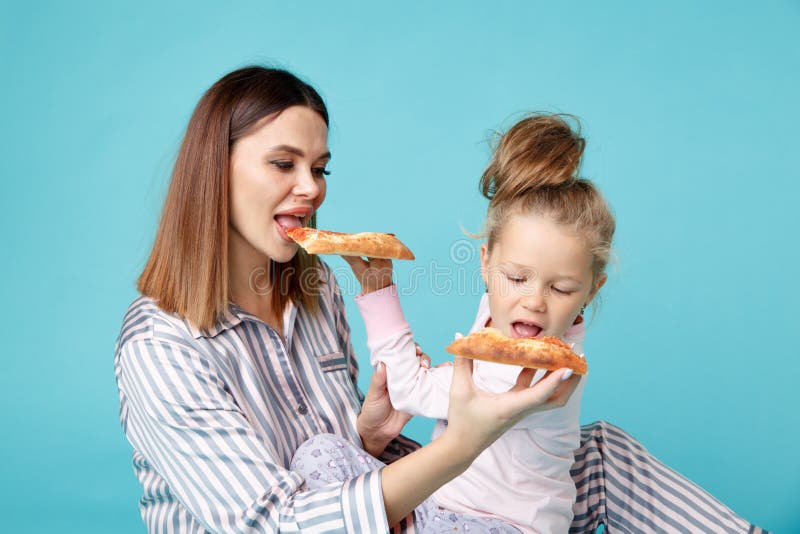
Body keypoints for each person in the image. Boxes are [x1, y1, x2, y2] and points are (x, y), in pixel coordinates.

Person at [114, 65, 767, 533]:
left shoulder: (316, 293)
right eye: (283, 164)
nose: (311, 188)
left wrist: (369, 438)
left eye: (320, 167)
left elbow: (346, 455)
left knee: (597, 454)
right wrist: (458, 448)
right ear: (214, 169)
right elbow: (273, 524)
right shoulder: (161, 348)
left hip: (371, 510)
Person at [332, 113, 608, 533]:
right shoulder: (497, 322)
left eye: (563, 288)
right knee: (321, 455)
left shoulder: (554, 371)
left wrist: (377, 288)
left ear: (591, 290)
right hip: (440, 510)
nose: (533, 301)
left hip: (505, 527)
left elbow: (409, 391)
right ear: (485, 263)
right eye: (517, 278)